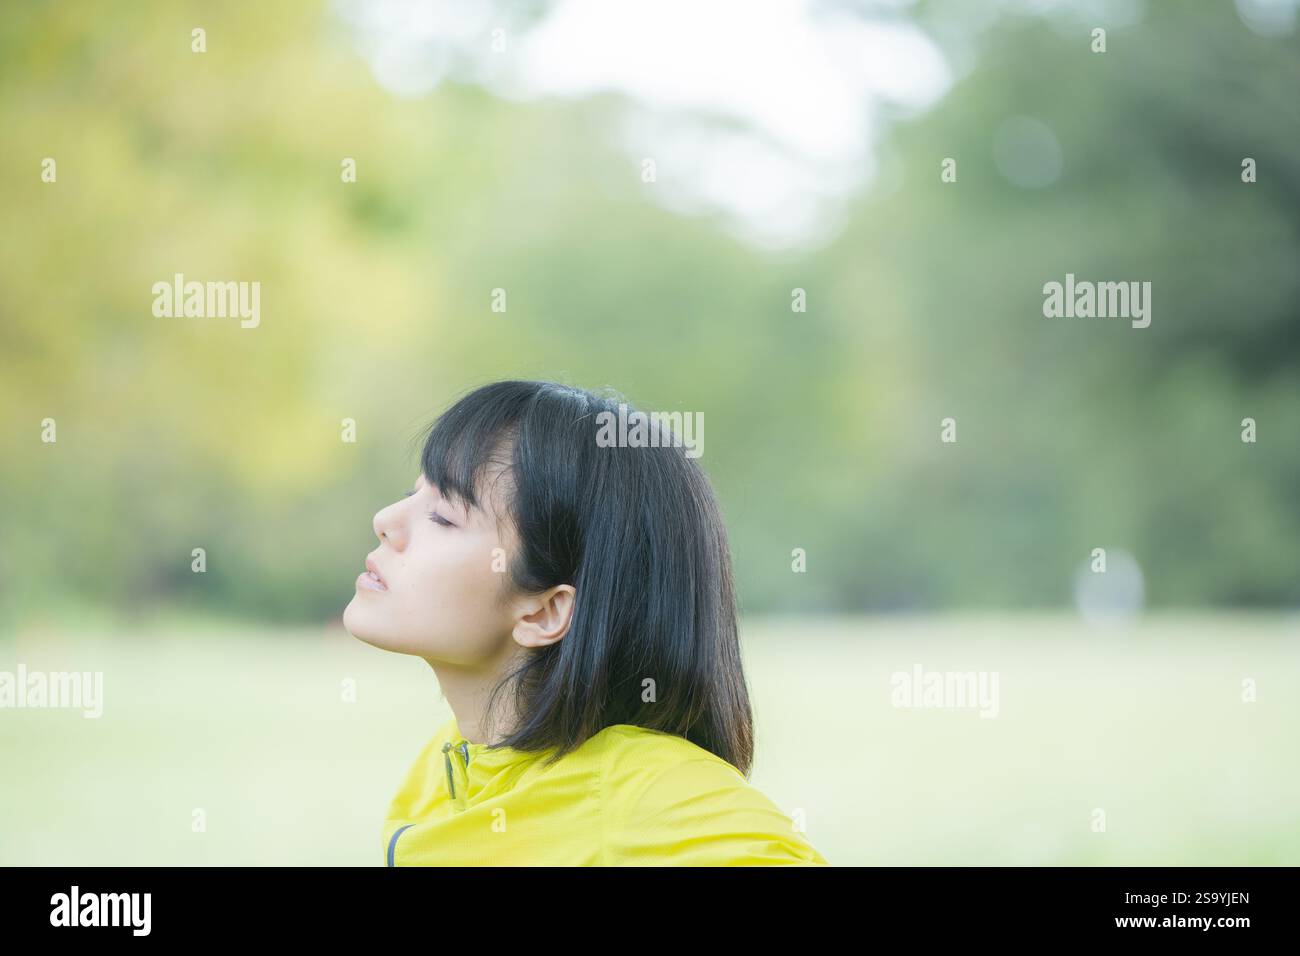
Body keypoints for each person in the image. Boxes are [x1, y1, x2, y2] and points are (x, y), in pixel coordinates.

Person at [343, 380, 828, 866]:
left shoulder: (650, 792)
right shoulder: (447, 758)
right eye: (412, 492)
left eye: (444, 517)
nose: (387, 518)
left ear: (545, 611)